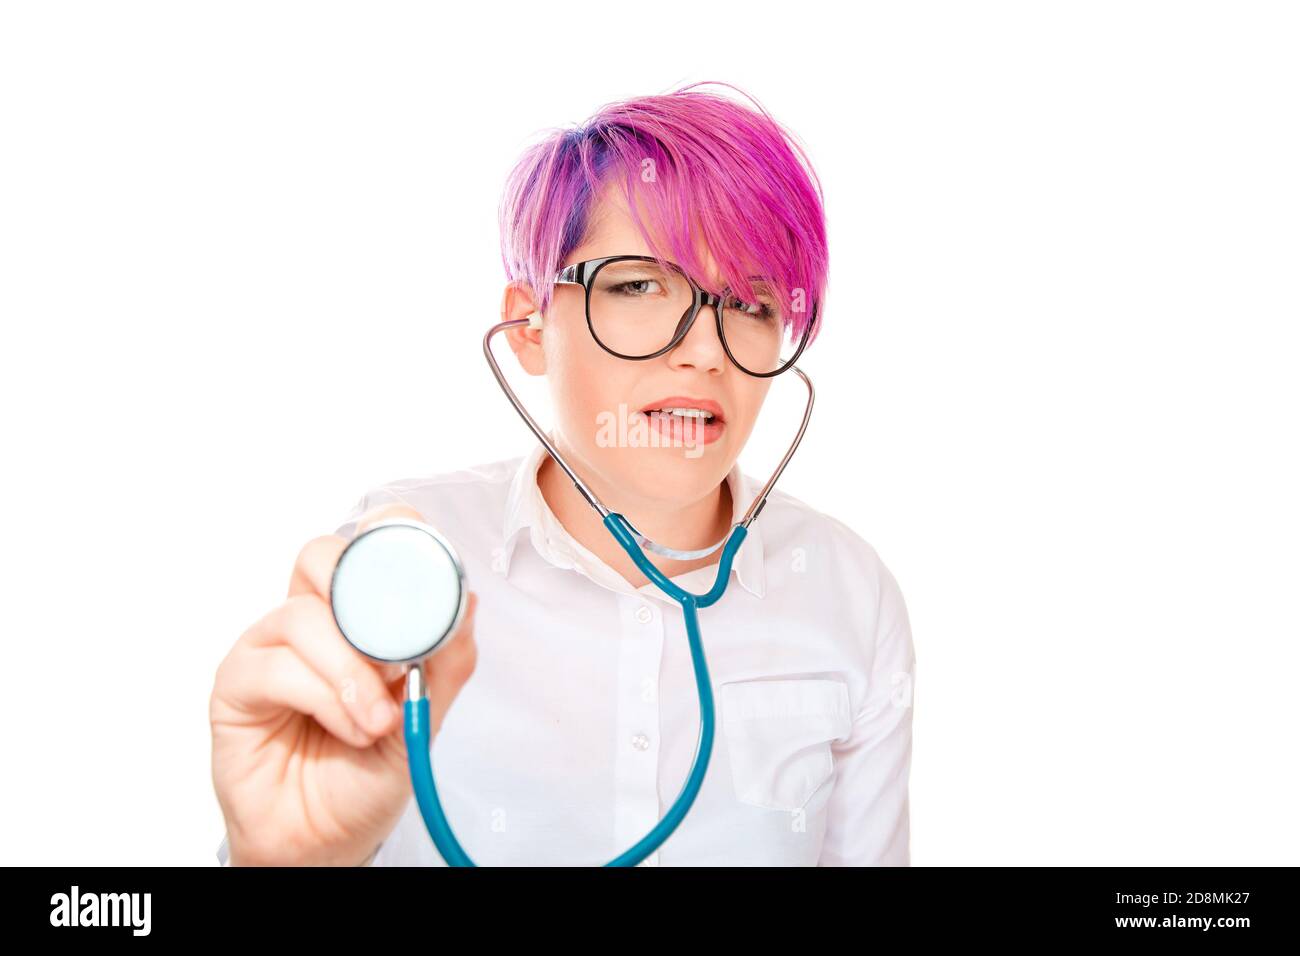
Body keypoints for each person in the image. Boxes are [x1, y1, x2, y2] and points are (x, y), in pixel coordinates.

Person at [209, 80, 916, 867]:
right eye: (640, 285)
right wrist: (282, 864)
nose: (708, 351)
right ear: (530, 327)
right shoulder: (407, 563)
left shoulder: (849, 594)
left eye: (749, 302)